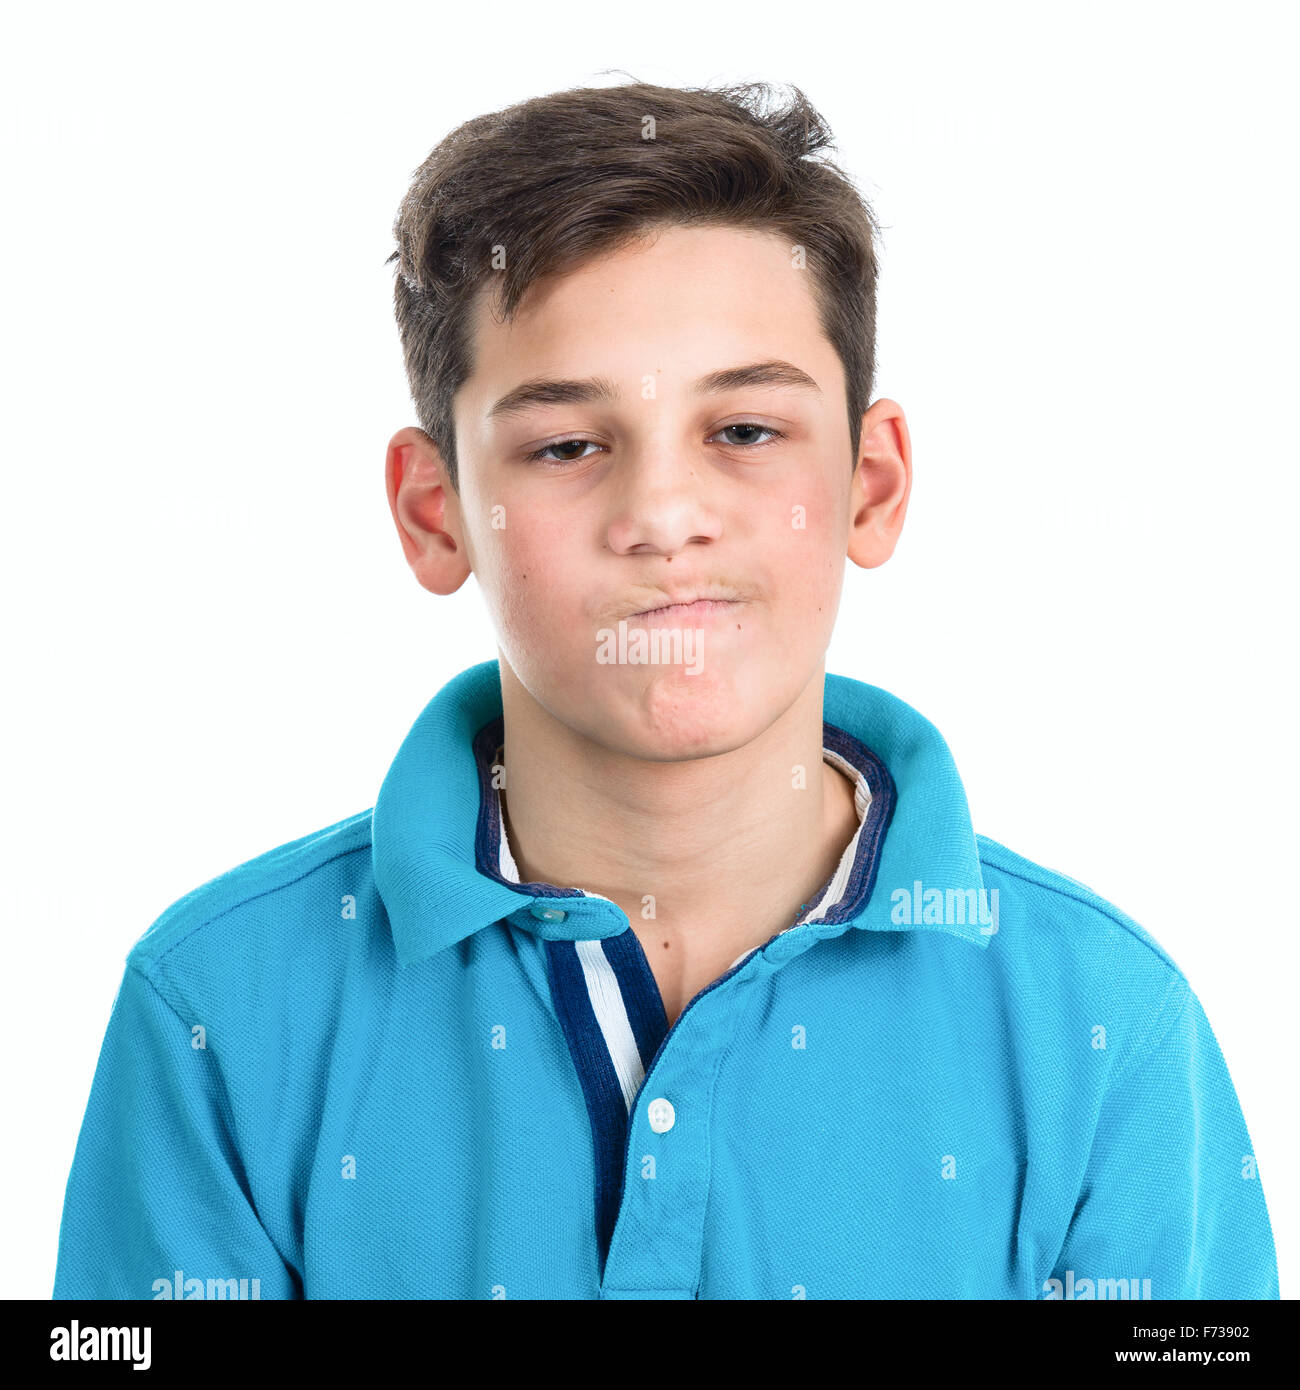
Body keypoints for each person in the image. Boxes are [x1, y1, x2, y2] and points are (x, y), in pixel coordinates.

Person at [53, 79, 1278, 1300]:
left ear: (870, 484)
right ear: (437, 513)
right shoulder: (214, 1008)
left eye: (744, 431)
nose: (662, 518)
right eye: (566, 446)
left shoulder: (1109, 1027)